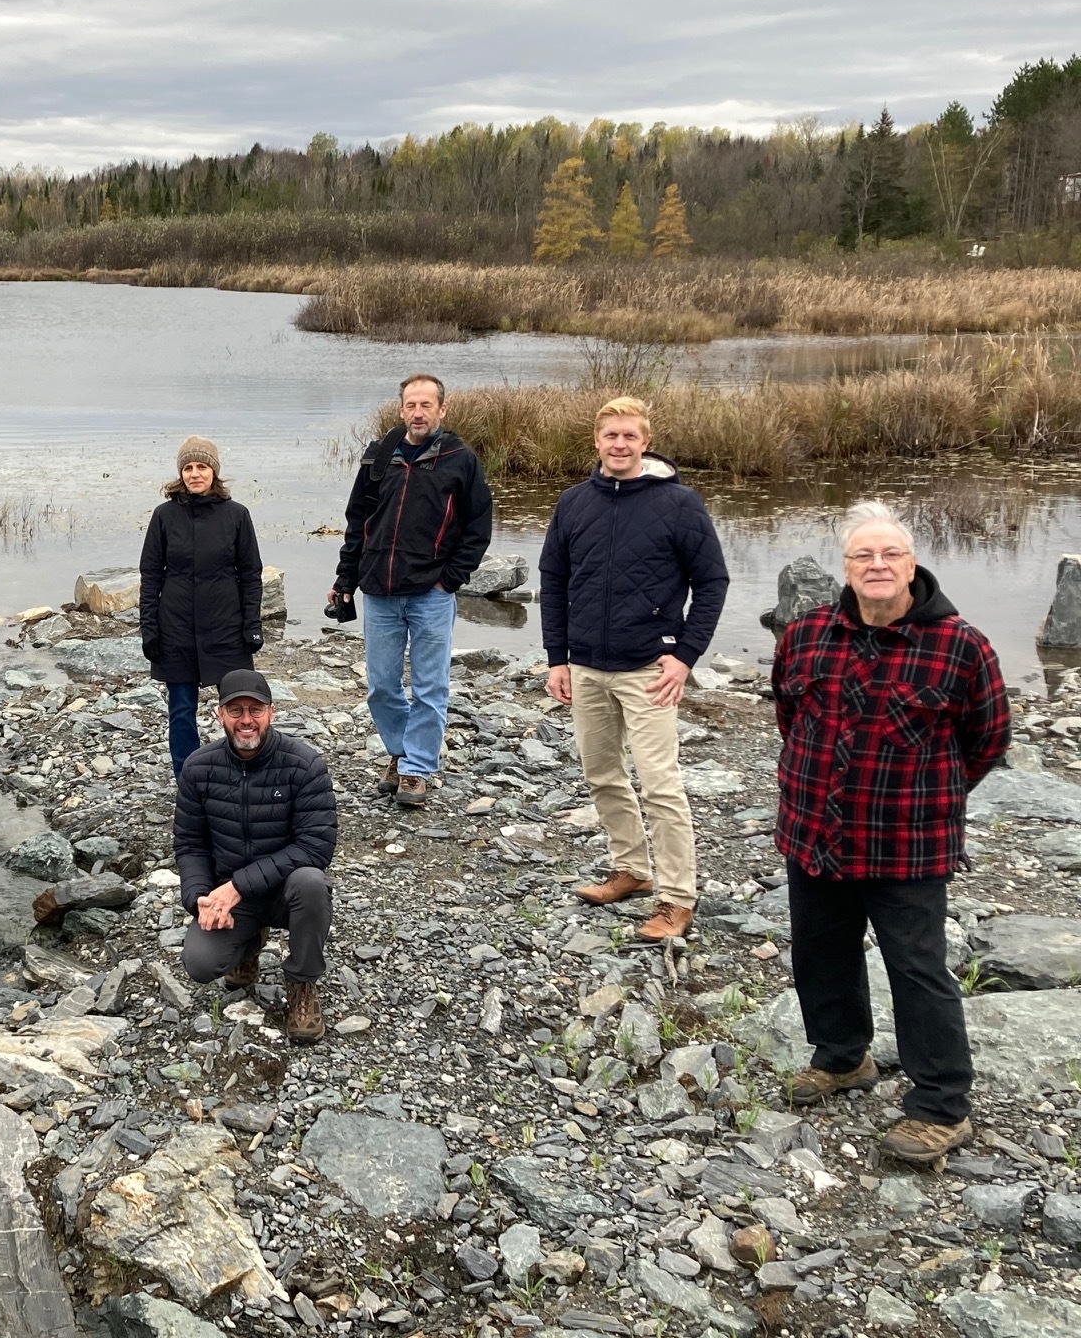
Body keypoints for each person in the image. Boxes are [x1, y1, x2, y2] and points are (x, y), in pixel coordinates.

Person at [773, 501, 1008, 1165]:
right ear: (846, 568)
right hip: (814, 829)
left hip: (908, 842)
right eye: (862, 556)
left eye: (890, 555)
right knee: (821, 950)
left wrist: (929, 793)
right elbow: (790, 713)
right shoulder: (808, 633)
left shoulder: (962, 645)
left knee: (918, 968)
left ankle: (941, 1105)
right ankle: (843, 1057)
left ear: (911, 565)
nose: (877, 566)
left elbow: (986, 739)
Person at [540, 396, 729, 942]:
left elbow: (712, 583)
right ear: (596, 442)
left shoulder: (679, 503)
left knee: (660, 785)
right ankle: (632, 869)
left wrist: (686, 655)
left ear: (645, 443)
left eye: (629, 436)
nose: (619, 445)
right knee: (602, 774)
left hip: (650, 667)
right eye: (610, 436)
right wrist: (558, 658)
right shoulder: (574, 503)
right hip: (587, 666)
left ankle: (676, 898)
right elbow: (553, 582)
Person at [330, 373, 493, 809]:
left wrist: (450, 579)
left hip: (431, 594)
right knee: (382, 685)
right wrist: (346, 578)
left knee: (429, 687)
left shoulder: (461, 459)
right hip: (379, 591)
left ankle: (417, 770)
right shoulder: (379, 456)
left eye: (426, 405)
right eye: (410, 405)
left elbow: (478, 529)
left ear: (442, 409)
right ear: (401, 409)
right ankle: (400, 755)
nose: (418, 413)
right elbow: (357, 522)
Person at [175, 669, 338, 1044]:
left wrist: (237, 886)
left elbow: (316, 847)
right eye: (236, 710)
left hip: (286, 892)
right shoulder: (198, 768)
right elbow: (190, 845)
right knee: (199, 964)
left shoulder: (304, 764)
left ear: (271, 713)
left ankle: (302, 984)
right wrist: (199, 898)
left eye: (255, 710)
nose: (246, 720)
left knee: (312, 883)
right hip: (234, 900)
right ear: (220, 715)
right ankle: (246, 947)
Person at [139, 436, 263, 778]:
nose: (195, 474)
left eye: (202, 467)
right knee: (181, 710)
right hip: (175, 628)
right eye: (189, 468)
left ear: (214, 472)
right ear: (181, 473)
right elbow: (150, 575)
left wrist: (252, 625)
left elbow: (251, 574)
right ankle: (188, 778)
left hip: (226, 627)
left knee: (242, 708)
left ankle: (243, 771)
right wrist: (149, 628)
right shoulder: (164, 516)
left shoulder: (237, 515)